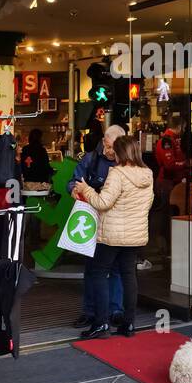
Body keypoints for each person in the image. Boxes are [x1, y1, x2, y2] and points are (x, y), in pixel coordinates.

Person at [72, 134, 153, 339]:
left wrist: (86, 189)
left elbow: (103, 202)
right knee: (128, 275)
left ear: (120, 153)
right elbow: (148, 202)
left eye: (114, 152)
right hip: (135, 235)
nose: (112, 155)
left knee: (99, 273)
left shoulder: (117, 173)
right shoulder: (147, 173)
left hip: (113, 234)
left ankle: (101, 324)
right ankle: (129, 324)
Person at [68, 124, 125, 327]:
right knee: (92, 268)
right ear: (103, 142)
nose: (110, 152)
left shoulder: (127, 162)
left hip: (117, 222)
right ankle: (90, 311)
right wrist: (74, 190)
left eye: (115, 148)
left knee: (116, 268)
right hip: (92, 219)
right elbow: (74, 181)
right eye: (108, 147)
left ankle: (116, 310)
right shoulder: (90, 159)